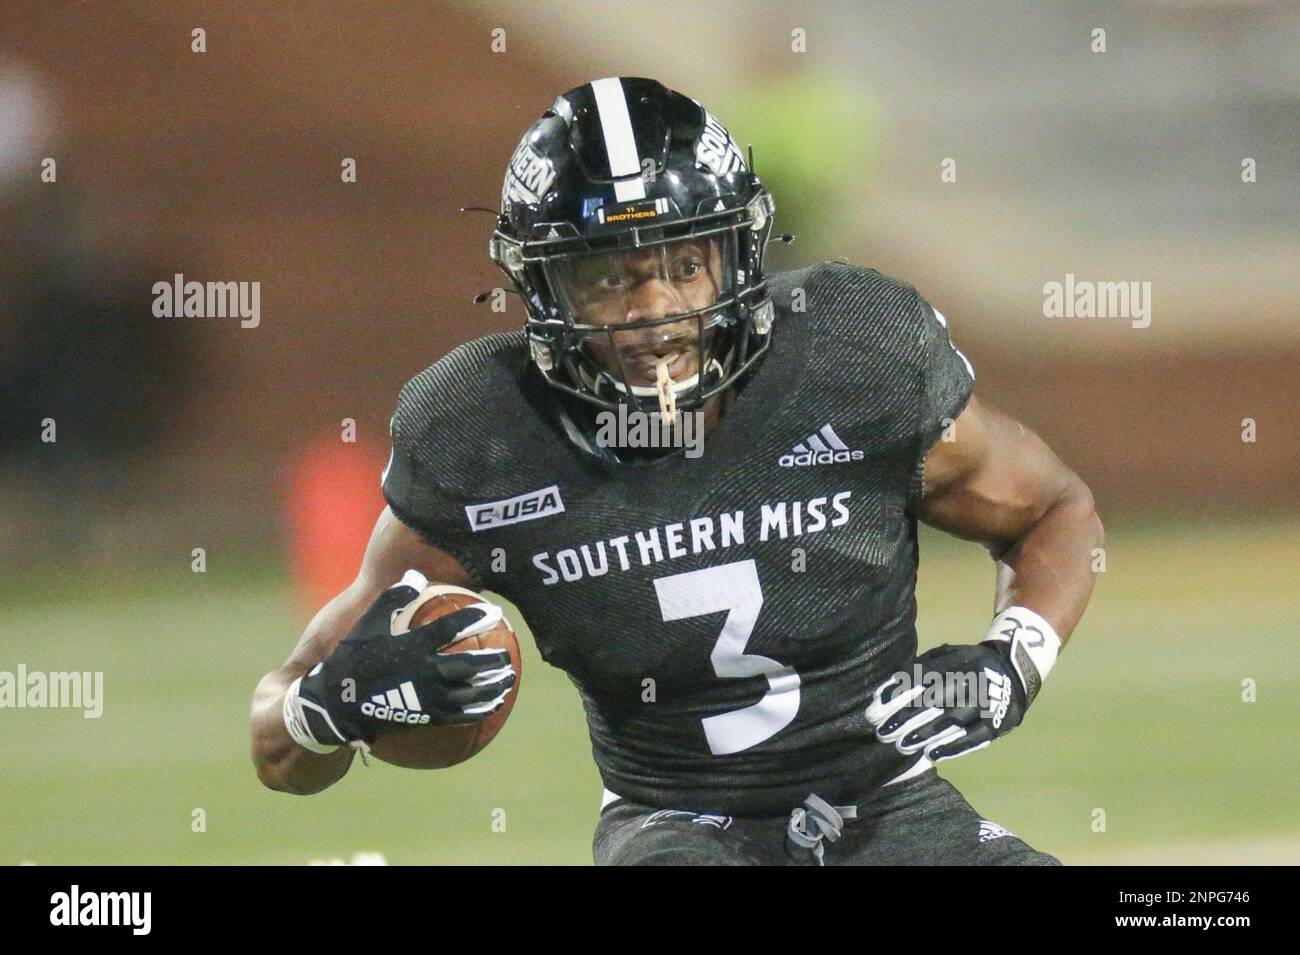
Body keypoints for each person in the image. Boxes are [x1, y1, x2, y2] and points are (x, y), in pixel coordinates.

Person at [250, 77, 1103, 865]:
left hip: (889, 805)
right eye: (608, 279)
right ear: (543, 289)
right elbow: (277, 741)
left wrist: (1011, 661)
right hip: (677, 827)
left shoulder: (855, 355)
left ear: (739, 255)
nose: (654, 312)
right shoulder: (485, 431)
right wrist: (322, 711)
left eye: (684, 266)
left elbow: (1057, 509)